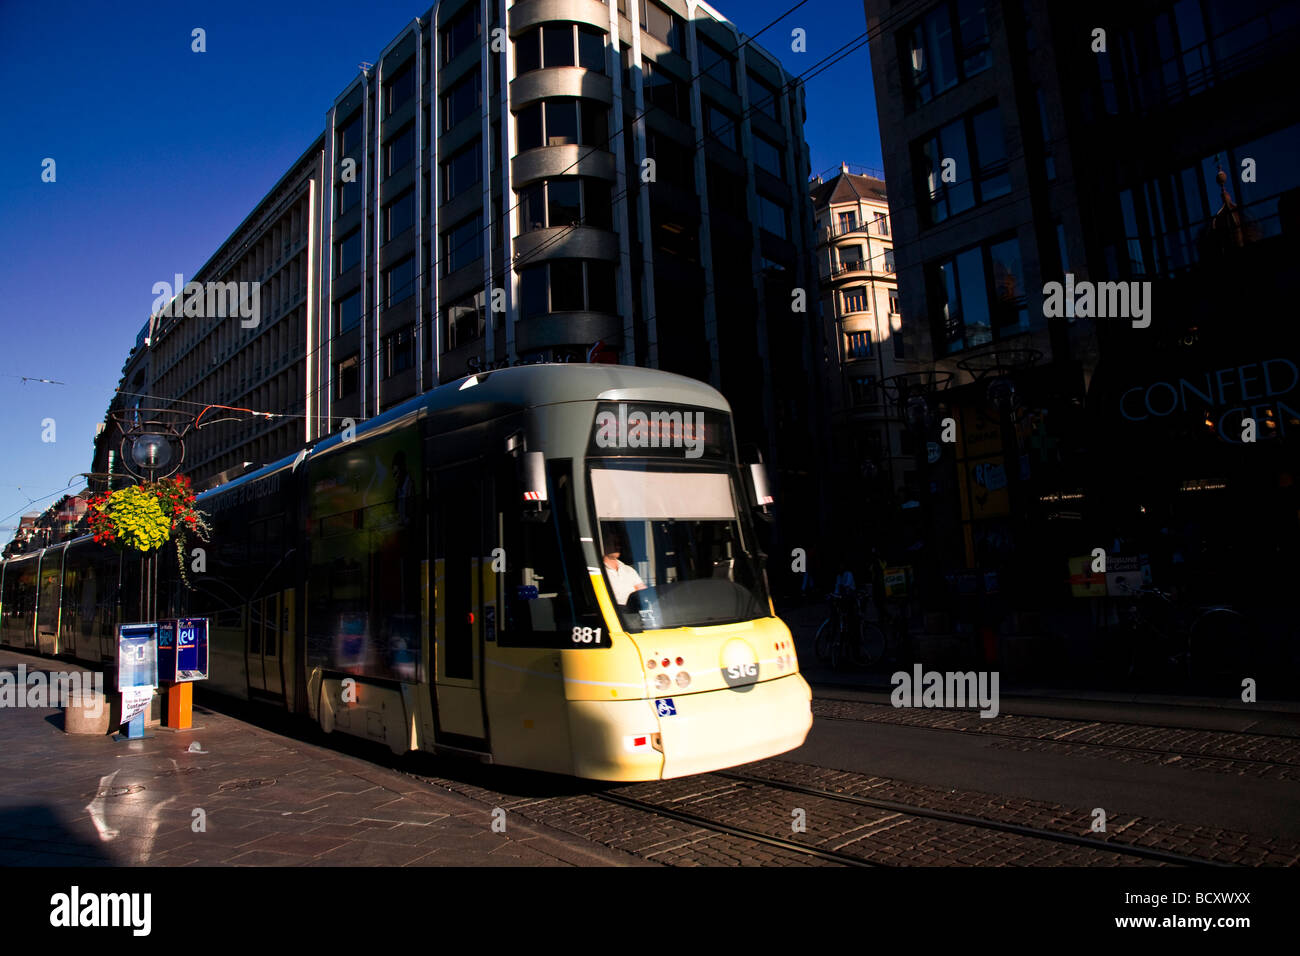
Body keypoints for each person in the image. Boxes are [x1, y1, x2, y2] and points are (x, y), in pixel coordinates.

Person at [602, 533, 647, 605]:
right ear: (604, 545)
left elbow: (643, 593)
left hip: (633, 611)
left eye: (618, 544)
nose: (617, 546)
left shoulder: (629, 570)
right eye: (613, 543)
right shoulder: (599, 571)